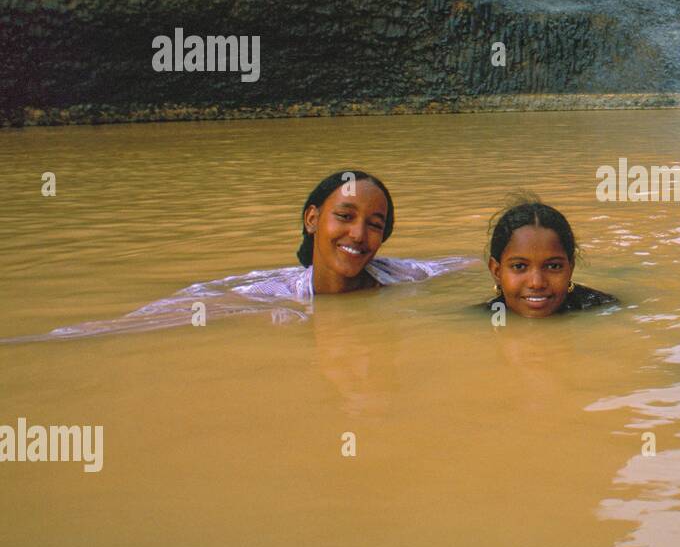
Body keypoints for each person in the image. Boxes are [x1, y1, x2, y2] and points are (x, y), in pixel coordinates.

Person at [4, 169, 471, 341]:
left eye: (375, 224)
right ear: (313, 220)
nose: (359, 234)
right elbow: (147, 321)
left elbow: (458, 265)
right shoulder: (268, 298)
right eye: (345, 216)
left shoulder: (399, 276)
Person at [484, 196, 616, 318]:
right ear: (496, 271)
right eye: (519, 266)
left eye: (553, 266)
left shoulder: (605, 310)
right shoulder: (482, 319)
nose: (537, 283)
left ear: (571, 267)